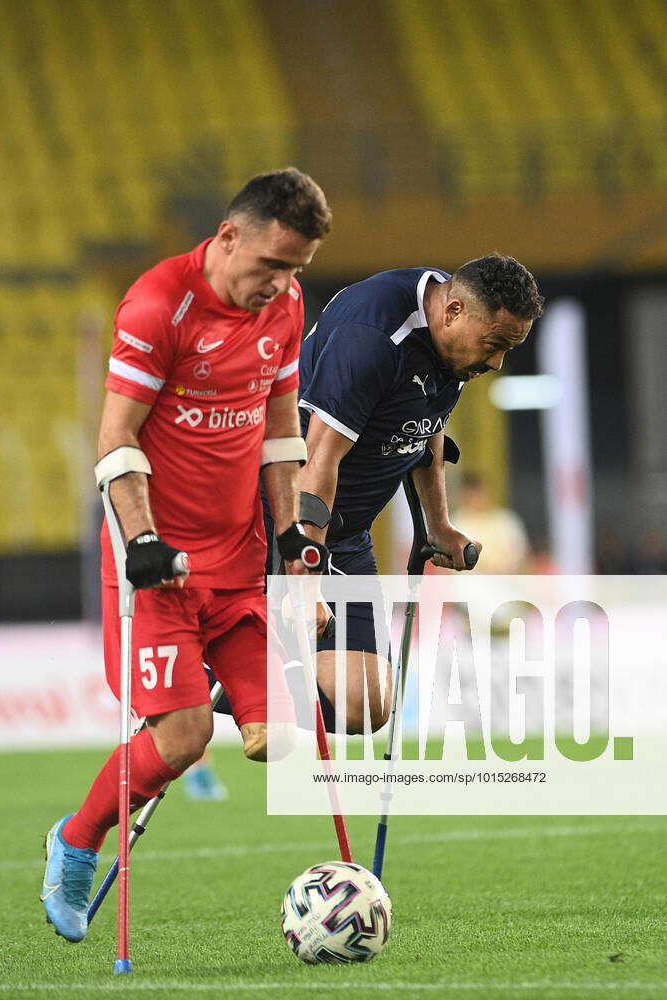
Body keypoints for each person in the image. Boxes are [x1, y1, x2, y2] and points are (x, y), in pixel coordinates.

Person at [41, 168, 331, 942]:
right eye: (270, 264)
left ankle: (236, 687)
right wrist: (139, 540)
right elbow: (115, 437)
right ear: (228, 236)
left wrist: (293, 533)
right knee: (183, 739)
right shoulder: (156, 304)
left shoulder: (287, 307)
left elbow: (278, 433)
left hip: (237, 561)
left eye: (294, 270)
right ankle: (76, 839)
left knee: (280, 740)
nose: (279, 284)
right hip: (158, 565)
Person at [293, 254, 544, 734]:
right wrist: (302, 578)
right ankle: (195, 685)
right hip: (286, 525)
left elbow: (428, 430)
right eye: (493, 345)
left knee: (365, 708)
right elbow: (317, 461)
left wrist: (438, 525)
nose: (496, 362)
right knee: (263, 704)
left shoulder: (454, 344)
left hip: (347, 533)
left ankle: (241, 687)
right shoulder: (373, 335)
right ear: (452, 312)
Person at [451, 472, 531, 574]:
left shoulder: (506, 520)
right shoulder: (457, 524)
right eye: (472, 494)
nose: (476, 499)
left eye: (479, 493)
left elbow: (521, 556)